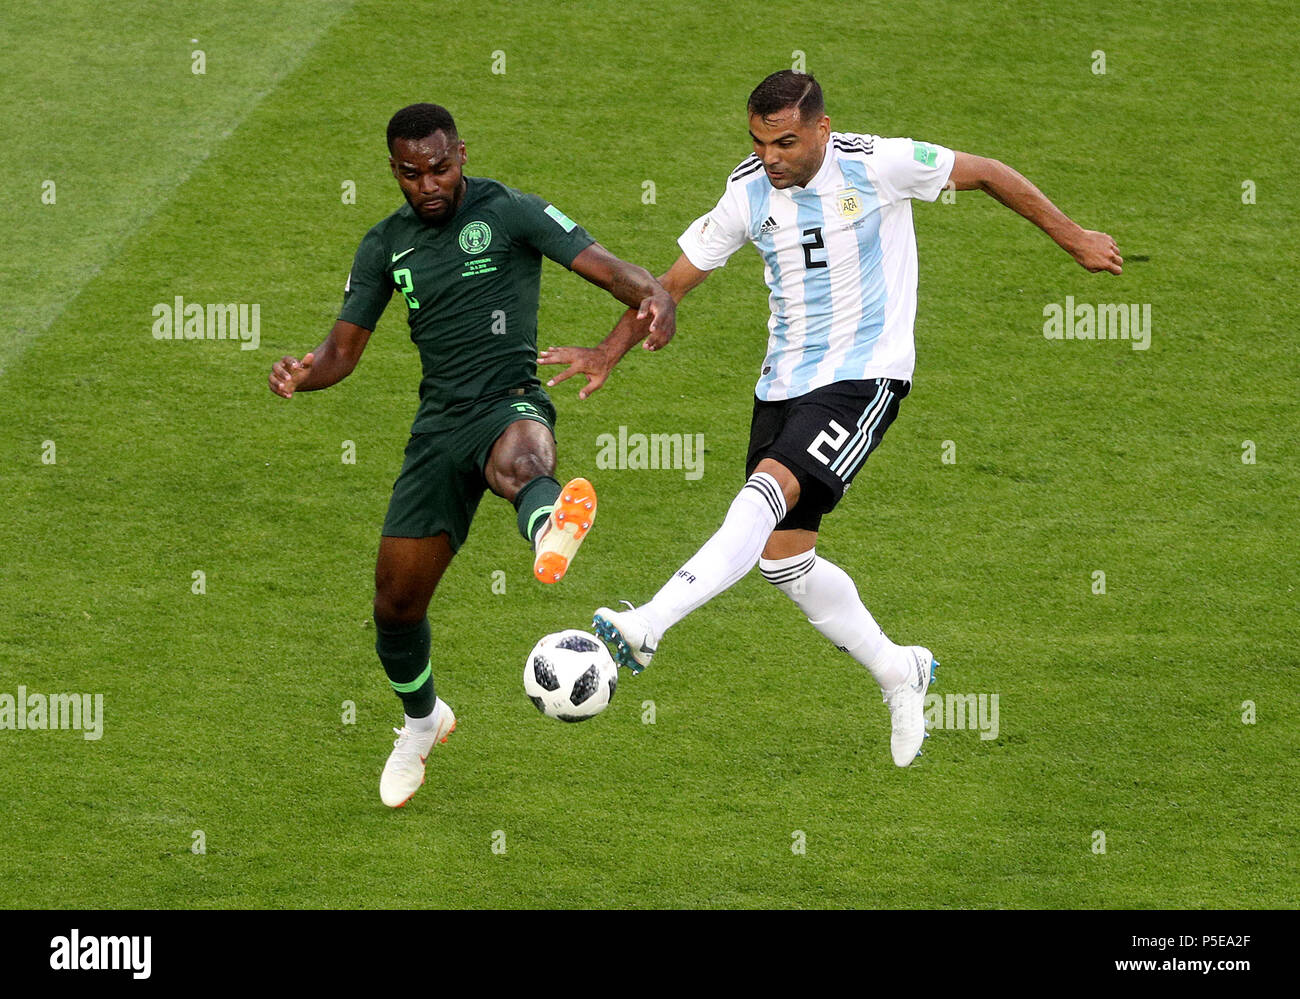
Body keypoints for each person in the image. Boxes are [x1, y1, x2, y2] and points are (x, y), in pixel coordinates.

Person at [539, 71, 1120, 766]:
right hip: (783, 383)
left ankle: (647, 623)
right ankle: (900, 671)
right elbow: (671, 284)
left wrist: (1074, 236)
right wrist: (610, 350)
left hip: (865, 375)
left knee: (765, 492)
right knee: (784, 559)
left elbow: (989, 173)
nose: (771, 157)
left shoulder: (878, 164)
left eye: (785, 141)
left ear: (820, 128)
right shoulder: (748, 191)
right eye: (759, 142)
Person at [269, 103, 675, 806]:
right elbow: (342, 351)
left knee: (523, 464)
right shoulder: (384, 245)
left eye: (439, 167)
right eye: (409, 173)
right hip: (438, 426)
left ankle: (552, 527)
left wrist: (654, 296)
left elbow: (611, 268)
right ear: (393, 169)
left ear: (461, 153)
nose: (427, 185)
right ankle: (424, 722)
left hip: (509, 398)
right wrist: (305, 375)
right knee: (395, 607)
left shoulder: (510, 211)